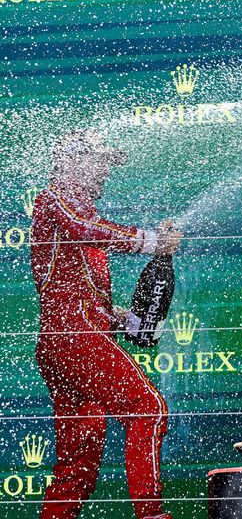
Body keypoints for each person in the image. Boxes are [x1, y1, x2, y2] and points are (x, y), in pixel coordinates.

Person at [30, 130, 182, 519]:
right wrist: (150, 242)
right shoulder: (55, 199)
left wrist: (127, 318)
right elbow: (86, 230)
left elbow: (80, 294)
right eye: (97, 162)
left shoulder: (76, 218)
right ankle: (152, 514)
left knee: (78, 463)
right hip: (74, 340)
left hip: (67, 343)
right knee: (148, 409)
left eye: (106, 164)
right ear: (68, 164)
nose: (103, 172)